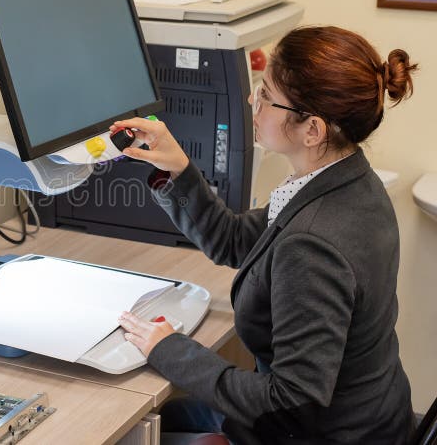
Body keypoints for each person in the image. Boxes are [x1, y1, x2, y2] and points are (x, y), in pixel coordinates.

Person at [114, 26, 418, 444]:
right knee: (167, 415)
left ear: (312, 130)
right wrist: (178, 169)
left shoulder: (312, 245)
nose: (251, 101)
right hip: (372, 416)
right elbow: (236, 241)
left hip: (326, 434)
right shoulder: (351, 181)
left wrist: (170, 349)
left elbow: (291, 400)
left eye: (265, 95)